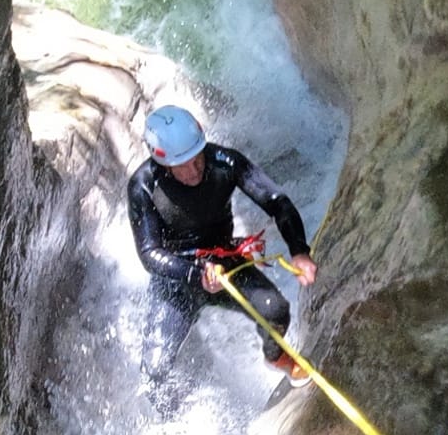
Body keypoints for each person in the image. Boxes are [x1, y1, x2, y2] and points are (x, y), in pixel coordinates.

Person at [127, 104, 318, 387]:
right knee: (154, 372)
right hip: (177, 278)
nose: (195, 170)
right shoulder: (144, 185)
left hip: (224, 259)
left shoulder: (224, 162)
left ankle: (276, 356)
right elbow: (149, 254)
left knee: (276, 310)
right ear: (163, 163)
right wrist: (196, 274)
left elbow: (276, 201)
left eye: (197, 159)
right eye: (183, 165)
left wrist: (299, 250)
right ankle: (175, 419)